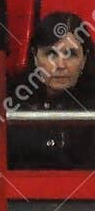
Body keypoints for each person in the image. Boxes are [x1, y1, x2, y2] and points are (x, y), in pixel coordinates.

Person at [6, 12, 95, 171]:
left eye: (71, 54)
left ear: (84, 59)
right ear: (34, 56)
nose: (60, 65)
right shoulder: (11, 100)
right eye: (51, 53)